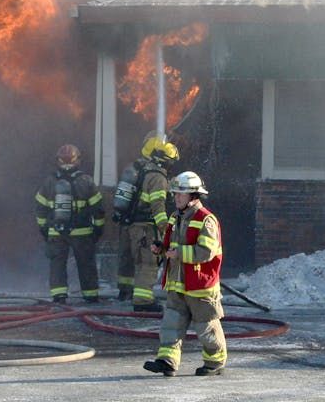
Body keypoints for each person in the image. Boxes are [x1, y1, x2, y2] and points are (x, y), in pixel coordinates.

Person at [143, 171, 226, 378]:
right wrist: (160, 248)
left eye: (181, 194)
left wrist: (178, 253)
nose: (176, 198)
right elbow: (171, 244)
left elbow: (206, 252)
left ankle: (215, 361)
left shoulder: (206, 220)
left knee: (206, 327)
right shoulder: (175, 218)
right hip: (177, 282)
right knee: (171, 323)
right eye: (175, 194)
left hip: (200, 286)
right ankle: (167, 361)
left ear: (193, 196)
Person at [34, 144, 105, 303]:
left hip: (56, 232)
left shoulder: (49, 182)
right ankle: (91, 295)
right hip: (82, 232)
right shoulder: (86, 181)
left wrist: (44, 228)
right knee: (86, 264)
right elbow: (98, 209)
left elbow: (40, 208)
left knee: (57, 264)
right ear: (77, 160)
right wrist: (98, 228)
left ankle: (59, 296)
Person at [117, 133, 178, 311]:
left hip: (133, 225)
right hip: (146, 228)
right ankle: (143, 301)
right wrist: (166, 230)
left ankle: (127, 292)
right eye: (170, 161)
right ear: (163, 160)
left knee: (134, 260)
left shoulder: (142, 171)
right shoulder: (158, 177)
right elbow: (158, 207)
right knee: (149, 262)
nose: (171, 165)